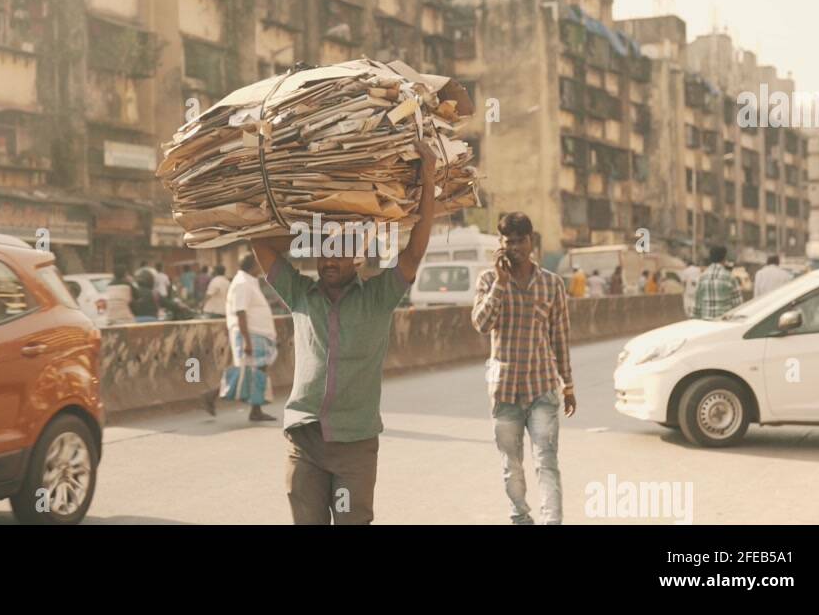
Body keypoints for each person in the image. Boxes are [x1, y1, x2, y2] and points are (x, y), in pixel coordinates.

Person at [250, 139, 437, 525]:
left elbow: (413, 253)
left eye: (340, 250)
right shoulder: (300, 294)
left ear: (358, 255)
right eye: (324, 250)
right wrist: (260, 174)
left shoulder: (379, 297)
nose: (330, 259)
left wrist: (429, 177)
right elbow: (263, 248)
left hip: (355, 444)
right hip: (305, 439)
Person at [472, 212, 575, 525]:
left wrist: (568, 385)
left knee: (547, 461)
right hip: (504, 390)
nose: (516, 247)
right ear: (501, 244)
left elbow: (560, 336)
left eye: (521, 240)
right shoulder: (488, 281)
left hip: (542, 387)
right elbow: (480, 324)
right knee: (511, 464)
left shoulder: (552, 284)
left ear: (532, 241)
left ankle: (552, 521)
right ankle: (521, 517)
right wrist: (500, 286)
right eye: (509, 241)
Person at [202, 255, 278, 422]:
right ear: (254, 265)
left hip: (259, 333)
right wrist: (247, 341)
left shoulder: (250, 281)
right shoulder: (242, 283)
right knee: (248, 371)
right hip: (250, 334)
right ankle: (212, 395)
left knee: (257, 371)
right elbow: (240, 312)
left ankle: (255, 409)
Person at [692, 246, 743, 320]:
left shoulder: (702, 277)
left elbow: (696, 305)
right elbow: (738, 305)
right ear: (724, 258)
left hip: (706, 323)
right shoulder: (730, 277)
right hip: (724, 324)